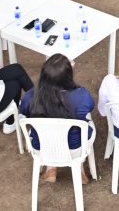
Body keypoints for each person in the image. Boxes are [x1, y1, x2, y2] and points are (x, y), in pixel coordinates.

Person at [19, 54, 95, 183]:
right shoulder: (81, 95)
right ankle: (80, 169)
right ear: (68, 76)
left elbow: (23, 112)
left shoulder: (31, 95)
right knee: (86, 121)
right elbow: (89, 108)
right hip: (75, 148)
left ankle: (50, 168)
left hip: (41, 147)